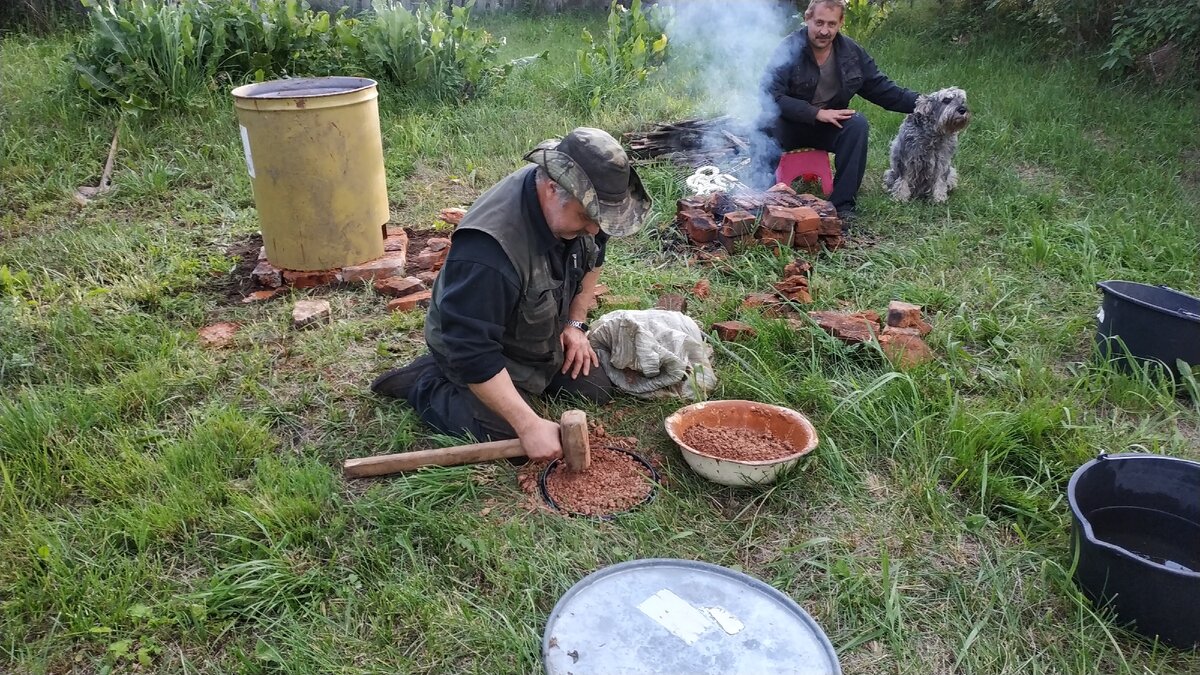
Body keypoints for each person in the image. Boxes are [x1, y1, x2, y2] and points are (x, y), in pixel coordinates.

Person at [370, 127, 652, 462]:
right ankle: (427, 382)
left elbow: (595, 255)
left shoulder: (579, 209)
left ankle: (528, 372)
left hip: (536, 329)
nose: (595, 229)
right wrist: (528, 424)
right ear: (552, 189)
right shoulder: (488, 253)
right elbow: (472, 349)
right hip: (474, 345)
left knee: (597, 389)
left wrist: (575, 325)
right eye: (587, 218)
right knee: (509, 437)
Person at [755, 0, 919, 222]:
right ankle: (762, 199)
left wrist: (928, 102)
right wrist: (815, 113)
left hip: (826, 127)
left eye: (831, 24)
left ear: (841, 22)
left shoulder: (852, 53)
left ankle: (842, 206)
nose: (824, 31)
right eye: (819, 23)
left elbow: (883, 90)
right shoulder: (789, 48)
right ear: (807, 18)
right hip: (788, 125)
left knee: (857, 124)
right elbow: (771, 95)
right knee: (763, 123)